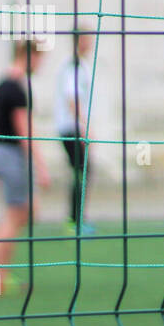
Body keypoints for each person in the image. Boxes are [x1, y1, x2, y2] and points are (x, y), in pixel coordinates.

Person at [0, 37, 51, 280]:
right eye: (40, 59)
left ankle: (0, 277)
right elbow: (24, 130)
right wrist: (41, 166)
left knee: (20, 211)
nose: (40, 66)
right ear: (29, 56)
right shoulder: (16, 89)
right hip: (13, 155)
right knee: (20, 212)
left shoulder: (0, 85)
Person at [55, 23, 97, 235]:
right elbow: (72, 98)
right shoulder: (74, 65)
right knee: (82, 171)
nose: (92, 41)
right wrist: (84, 128)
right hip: (71, 129)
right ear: (79, 40)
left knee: (82, 171)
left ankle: (77, 219)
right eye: (88, 37)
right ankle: (75, 221)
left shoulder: (79, 64)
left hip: (72, 128)